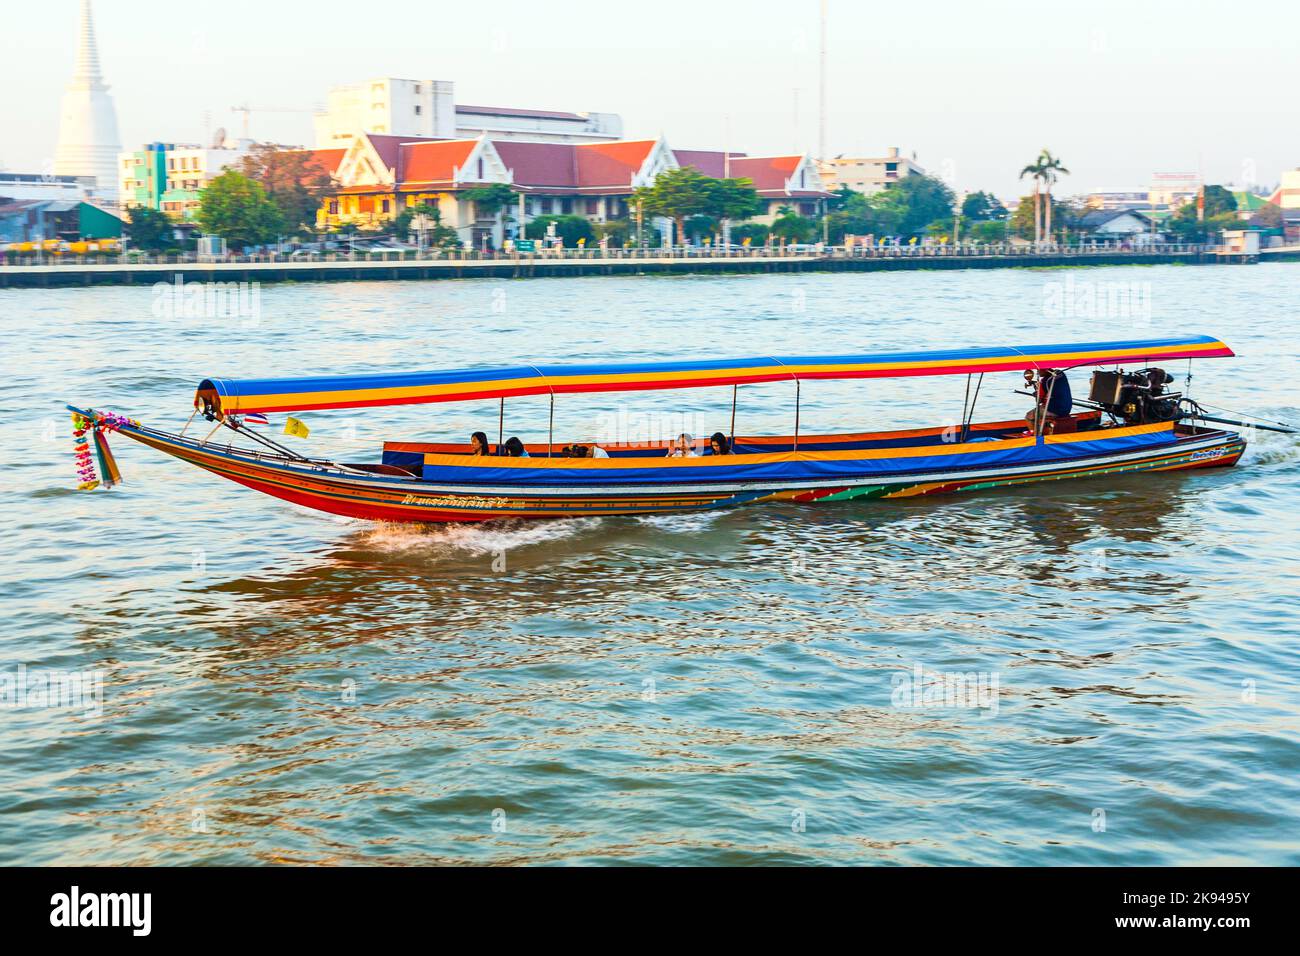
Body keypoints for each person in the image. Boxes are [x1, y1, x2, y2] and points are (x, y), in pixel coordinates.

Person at [1024, 368, 1073, 434]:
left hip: (1055, 411)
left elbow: (1039, 401)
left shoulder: (1044, 381)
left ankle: (1036, 436)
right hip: (1067, 408)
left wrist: (1036, 394)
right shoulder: (1061, 373)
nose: (1037, 372)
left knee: (1029, 416)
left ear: (1045, 369)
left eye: (1038, 370)